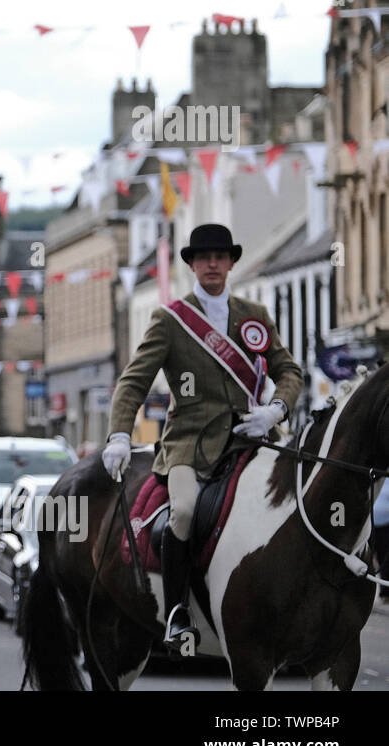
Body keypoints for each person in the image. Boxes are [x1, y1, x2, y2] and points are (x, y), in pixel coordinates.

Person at [104, 223, 302, 652]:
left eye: (220, 256)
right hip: (190, 445)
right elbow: (133, 382)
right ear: (192, 265)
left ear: (231, 263)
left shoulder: (254, 315)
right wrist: (120, 433)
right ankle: (177, 613)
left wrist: (275, 409)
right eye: (203, 257)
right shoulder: (171, 320)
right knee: (185, 513)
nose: (212, 264)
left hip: (254, 440)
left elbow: (289, 371)